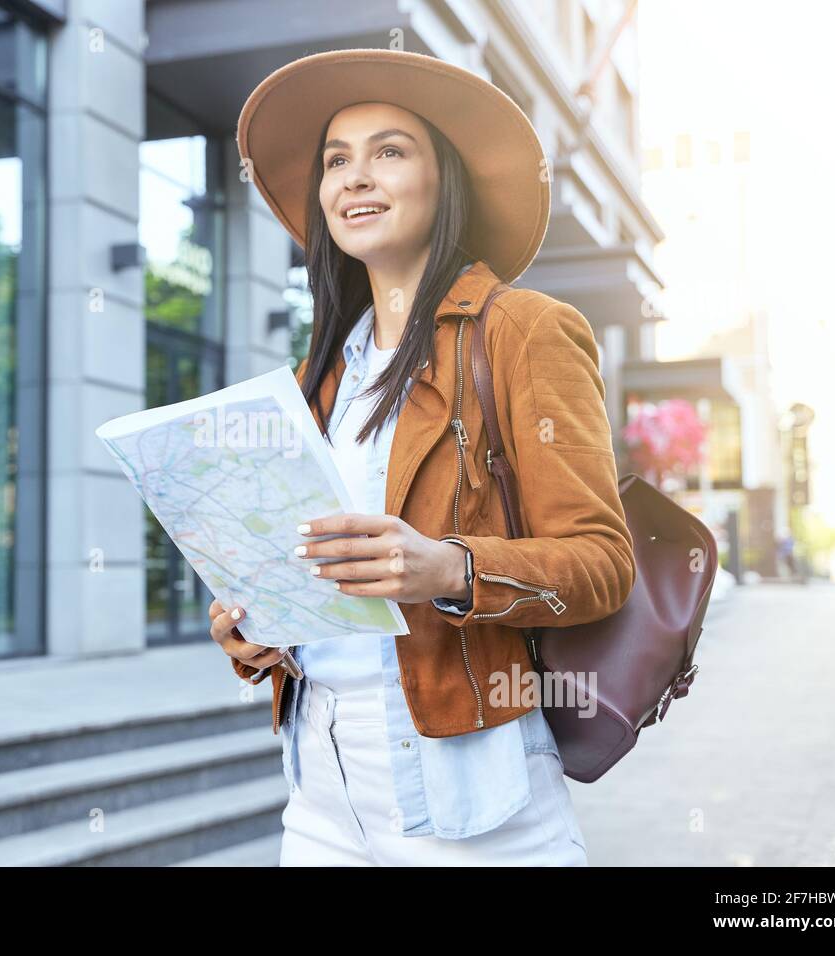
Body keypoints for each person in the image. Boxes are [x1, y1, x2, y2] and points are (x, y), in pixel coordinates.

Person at [208, 49, 635, 865]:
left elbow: (602, 563)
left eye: (389, 152)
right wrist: (255, 627)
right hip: (321, 795)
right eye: (337, 160)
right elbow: (301, 565)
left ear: (445, 181)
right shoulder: (319, 374)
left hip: (472, 796)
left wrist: (446, 569)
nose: (354, 178)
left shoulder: (525, 331)